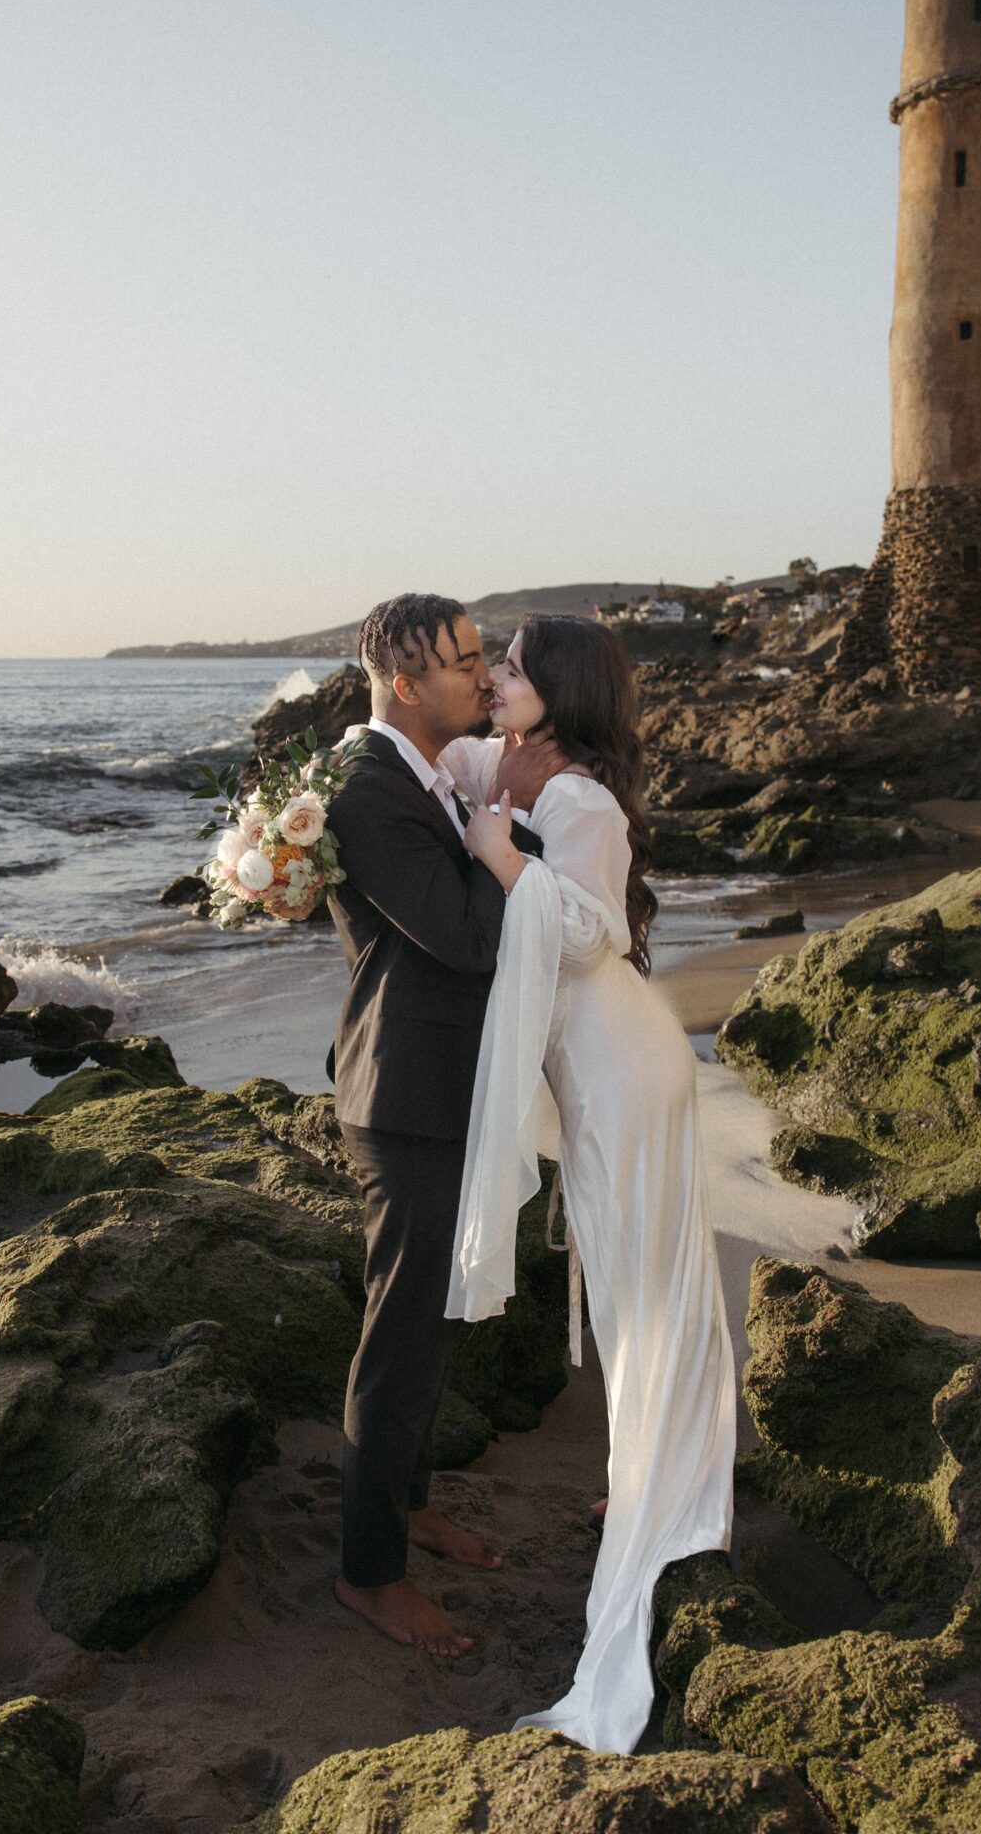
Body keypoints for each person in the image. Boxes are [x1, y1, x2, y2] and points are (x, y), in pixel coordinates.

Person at [441, 612, 736, 1754]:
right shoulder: (513, 763)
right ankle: (656, 1475)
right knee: (627, 1286)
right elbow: (426, 755)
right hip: (594, 1067)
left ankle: (668, 1496)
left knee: (640, 1284)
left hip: (624, 1069)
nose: (494, 680)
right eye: (493, 664)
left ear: (558, 689)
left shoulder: (584, 799)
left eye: (509, 667)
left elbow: (596, 928)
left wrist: (501, 851)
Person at [324, 592, 566, 1659]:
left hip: (441, 1085)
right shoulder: (371, 792)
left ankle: (412, 1504)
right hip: (405, 1094)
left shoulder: (418, 773)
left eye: (481, 656)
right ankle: (369, 1572)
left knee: (432, 1327)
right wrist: (502, 833)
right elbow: (467, 936)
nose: (483, 675)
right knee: (401, 1334)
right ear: (407, 684)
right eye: (464, 661)